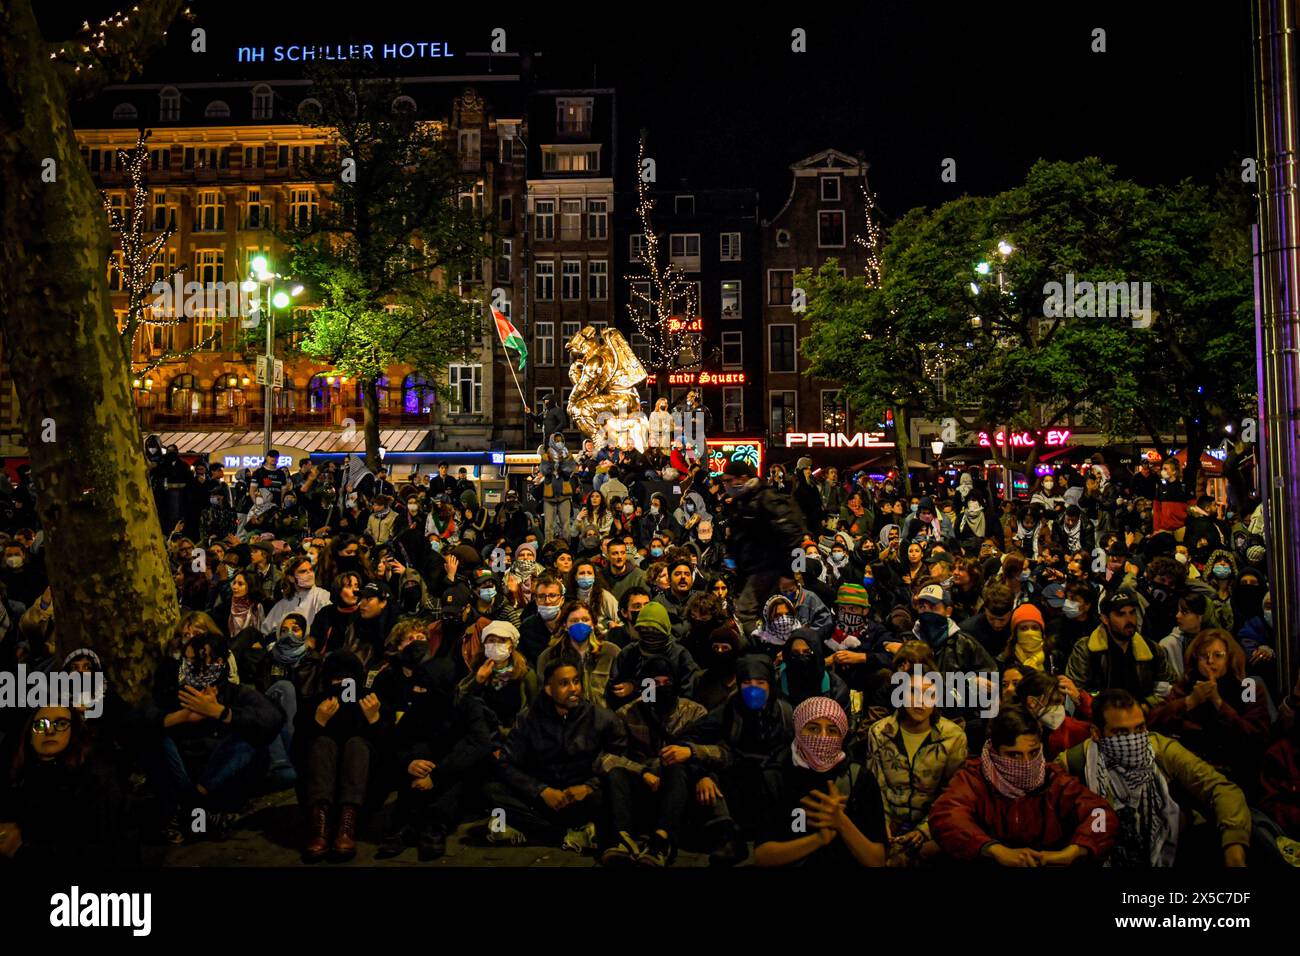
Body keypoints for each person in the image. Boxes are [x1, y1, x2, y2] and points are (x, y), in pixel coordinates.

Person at [1057, 689, 1250, 867]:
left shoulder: (1160, 750)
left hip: (1176, 853)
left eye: (1140, 729)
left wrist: (1234, 846)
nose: (1134, 740)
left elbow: (1219, 788)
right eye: (1121, 733)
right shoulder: (1074, 763)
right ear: (1096, 734)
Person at [137, 630, 284, 844]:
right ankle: (196, 812)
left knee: (250, 739)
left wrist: (221, 713)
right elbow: (135, 721)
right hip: (184, 774)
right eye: (186, 660)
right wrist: (180, 717)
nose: (189, 666)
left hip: (218, 780)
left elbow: (272, 718)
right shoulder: (176, 693)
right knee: (155, 737)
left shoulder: (235, 693)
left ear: (218, 662)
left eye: (197, 660)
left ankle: (191, 807)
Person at [929, 706, 1118, 866]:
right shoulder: (973, 778)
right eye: (1014, 755)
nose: (1027, 763)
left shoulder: (1054, 779)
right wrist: (993, 849)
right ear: (994, 751)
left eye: (1033, 752)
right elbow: (947, 816)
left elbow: (1100, 813)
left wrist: (1075, 851)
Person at [482, 655, 628, 850]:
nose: (574, 689)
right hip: (543, 799)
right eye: (564, 684)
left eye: (576, 681)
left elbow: (619, 759)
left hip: (583, 797)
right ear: (549, 689)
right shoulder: (529, 718)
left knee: (612, 795)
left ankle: (537, 830)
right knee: (491, 792)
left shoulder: (601, 718)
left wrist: (589, 787)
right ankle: (568, 836)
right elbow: (506, 763)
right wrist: (541, 790)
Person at [378, 655, 499, 861]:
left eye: (423, 688)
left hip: (453, 771)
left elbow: (477, 745)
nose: (416, 692)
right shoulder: (418, 708)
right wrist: (409, 763)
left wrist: (436, 776)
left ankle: (435, 825)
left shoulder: (467, 706)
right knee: (420, 750)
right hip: (426, 766)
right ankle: (406, 823)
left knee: (461, 764)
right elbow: (398, 742)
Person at [598, 656, 710, 866]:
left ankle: (661, 842)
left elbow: (713, 752)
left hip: (678, 788)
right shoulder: (628, 713)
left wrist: (696, 762)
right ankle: (623, 839)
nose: (660, 688)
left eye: (666, 682)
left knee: (676, 768)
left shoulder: (694, 712)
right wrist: (642, 772)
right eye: (653, 683)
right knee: (615, 774)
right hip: (643, 784)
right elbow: (609, 757)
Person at [754, 697, 888, 867]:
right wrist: (818, 839)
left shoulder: (860, 779)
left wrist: (840, 822)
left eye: (832, 730)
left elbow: (876, 860)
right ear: (798, 730)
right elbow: (762, 856)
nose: (823, 737)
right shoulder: (776, 777)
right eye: (813, 728)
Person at [0, 706, 134, 865]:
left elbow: (100, 851)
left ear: (74, 732)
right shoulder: (20, 776)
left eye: (61, 724)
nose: (49, 731)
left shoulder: (97, 779)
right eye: (41, 725)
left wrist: (22, 851)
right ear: (29, 735)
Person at [1146, 629, 1271, 792]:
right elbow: (1153, 721)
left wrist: (1219, 703)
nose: (1210, 661)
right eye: (1204, 656)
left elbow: (1255, 736)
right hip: (1190, 771)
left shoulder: (1247, 687)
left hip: (1235, 771)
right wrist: (1189, 701)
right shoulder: (1187, 685)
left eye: (1218, 655)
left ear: (1229, 658)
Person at [866, 667, 967, 866]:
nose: (920, 700)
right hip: (888, 821)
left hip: (935, 824)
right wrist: (882, 822)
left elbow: (953, 792)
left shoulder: (953, 737)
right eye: (913, 691)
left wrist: (925, 829)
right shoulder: (879, 732)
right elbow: (875, 785)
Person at [295, 651, 388, 863]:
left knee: (356, 744)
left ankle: (347, 824)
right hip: (320, 786)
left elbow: (389, 749)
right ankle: (321, 825)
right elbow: (298, 751)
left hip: (361, 791)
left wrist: (375, 720)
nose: (342, 686)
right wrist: (318, 722)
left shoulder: (369, 700)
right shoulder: (315, 703)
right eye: (337, 680)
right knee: (322, 743)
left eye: (347, 680)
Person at [720, 459, 807, 635]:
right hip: (753, 570)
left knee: (745, 613)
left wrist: (791, 573)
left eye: (728, 480)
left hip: (769, 568)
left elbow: (794, 535)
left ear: (742, 478)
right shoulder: (742, 501)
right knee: (767, 614)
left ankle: (762, 647)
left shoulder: (766, 498)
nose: (726, 485)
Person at [1065, 588, 1175, 708]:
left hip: (1143, 717)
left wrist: (1147, 706)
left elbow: (1168, 688)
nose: (1129, 620)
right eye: (1120, 614)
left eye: (1132, 612)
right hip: (1100, 718)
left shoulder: (1152, 649)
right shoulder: (1086, 650)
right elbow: (1075, 693)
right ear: (1105, 619)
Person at [605, 601, 700, 710]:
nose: (649, 634)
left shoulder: (680, 655)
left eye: (654, 630)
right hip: (635, 715)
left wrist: (637, 687)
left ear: (665, 629)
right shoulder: (629, 653)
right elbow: (613, 688)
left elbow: (688, 694)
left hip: (674, 715)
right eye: (644, 629)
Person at [457, 620, 539, 737]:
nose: (495, 645)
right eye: (491, 641)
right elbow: (460, 701)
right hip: (480, 735)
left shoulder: (525, 675)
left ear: (511, 647)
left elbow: (533, 710)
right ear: (484, 645)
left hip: (514, 736)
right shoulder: (478, 669)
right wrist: (477, 680)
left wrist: (507, 733)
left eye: (501, 641)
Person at [536, 600, 621, 706]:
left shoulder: (610, 652)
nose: (580, 624)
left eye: (585, 620)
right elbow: (543, 695)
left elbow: (620, 689)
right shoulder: (550, 656)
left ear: (593, 625)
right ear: (565, 625)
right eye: (574, 621)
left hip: (603, 717)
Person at [778, 628, 850, 712]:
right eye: (795, 653)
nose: (801, 658)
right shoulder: (778, 683)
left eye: (807, 652)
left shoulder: (836, 689)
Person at [263, 555, 333, 636]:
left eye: (311, 570)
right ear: (291, 578)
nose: (309, 573)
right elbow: (267, 630)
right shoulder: (284, 603)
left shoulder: (322, 595)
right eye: (303, 571)